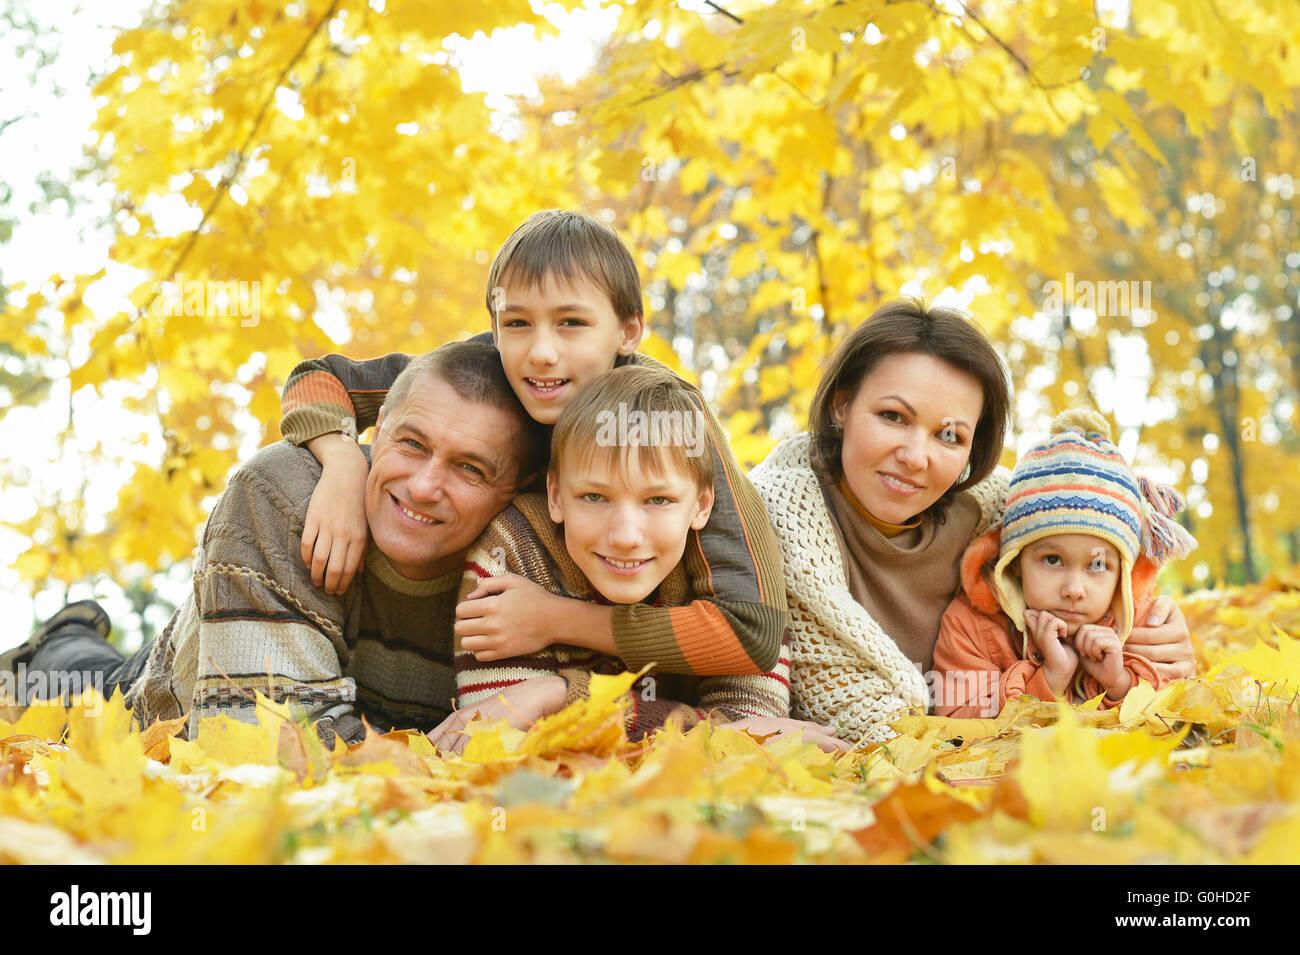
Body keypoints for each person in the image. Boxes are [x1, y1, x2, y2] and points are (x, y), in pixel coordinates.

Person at [277, 209, 787, 680]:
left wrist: (559, 620)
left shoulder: (666, 420)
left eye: (572, 323)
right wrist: (343, 465)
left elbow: (753, 630)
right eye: (518, 323)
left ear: (628, 331)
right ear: (495, 329)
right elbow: (320, 378)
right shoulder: (480, 377)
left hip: (628, 656)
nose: (541, 353)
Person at [2, 342, 546, 747]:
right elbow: (277, 742)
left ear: (520, 489)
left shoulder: (545, 558)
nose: (425, 487)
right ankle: (62, 637)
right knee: (76, 693)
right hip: (160, 701)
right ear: (375, 430)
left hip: (361, 728)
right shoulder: (286, 493)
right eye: (411, 444)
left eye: (470, 469)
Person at [749, 299, 1197, 744]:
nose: (914, 457)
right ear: (841, 406)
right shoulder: (774, 516)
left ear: (972, 449)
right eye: (892, 416)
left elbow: (1100, 551)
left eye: (949, 435)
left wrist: (1155, 635)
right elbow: (861, 721)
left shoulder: (1005, 511)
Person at [429, 365, 844, 754]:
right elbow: (506, 737)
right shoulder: (515, 547)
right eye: (594, 497)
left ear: (702, 506)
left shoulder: (733, 584)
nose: (626, 536)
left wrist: (560, 693)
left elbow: (753, 730)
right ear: (555, 495)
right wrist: (714, 733)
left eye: (658, 500)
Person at [931, 409, 1198, 717]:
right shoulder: (972, 624)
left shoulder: (1140, 624)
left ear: (1121, 573)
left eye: (1097, 565)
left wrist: (1120, 682)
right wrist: (1047, 681)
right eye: (1053, 559)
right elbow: (955, 721)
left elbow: (1181, 709)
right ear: (1015, 562)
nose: (1074, 589)